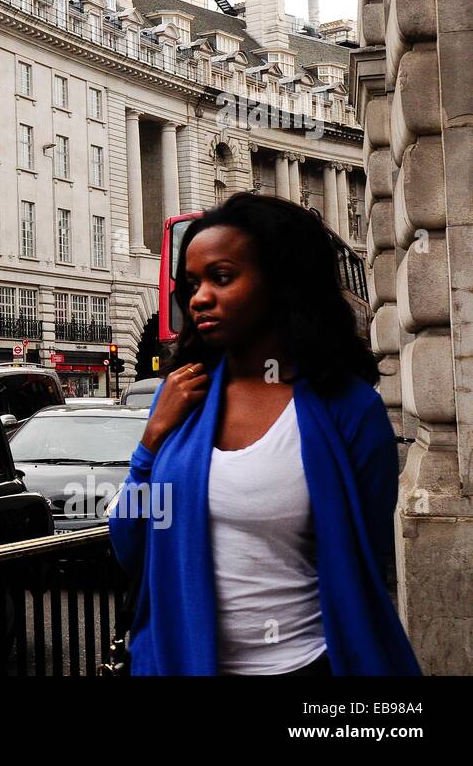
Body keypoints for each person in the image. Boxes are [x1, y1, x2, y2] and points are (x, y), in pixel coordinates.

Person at [108, 192, 420, 676]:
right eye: (192, 283)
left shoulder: (351, 411)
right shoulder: (184, 400)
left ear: (281, 283)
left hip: (308, 665)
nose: (199, 298)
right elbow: (131, 546)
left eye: (222, 277)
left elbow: (367, 557)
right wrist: (149, 446)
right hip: (181, 662)